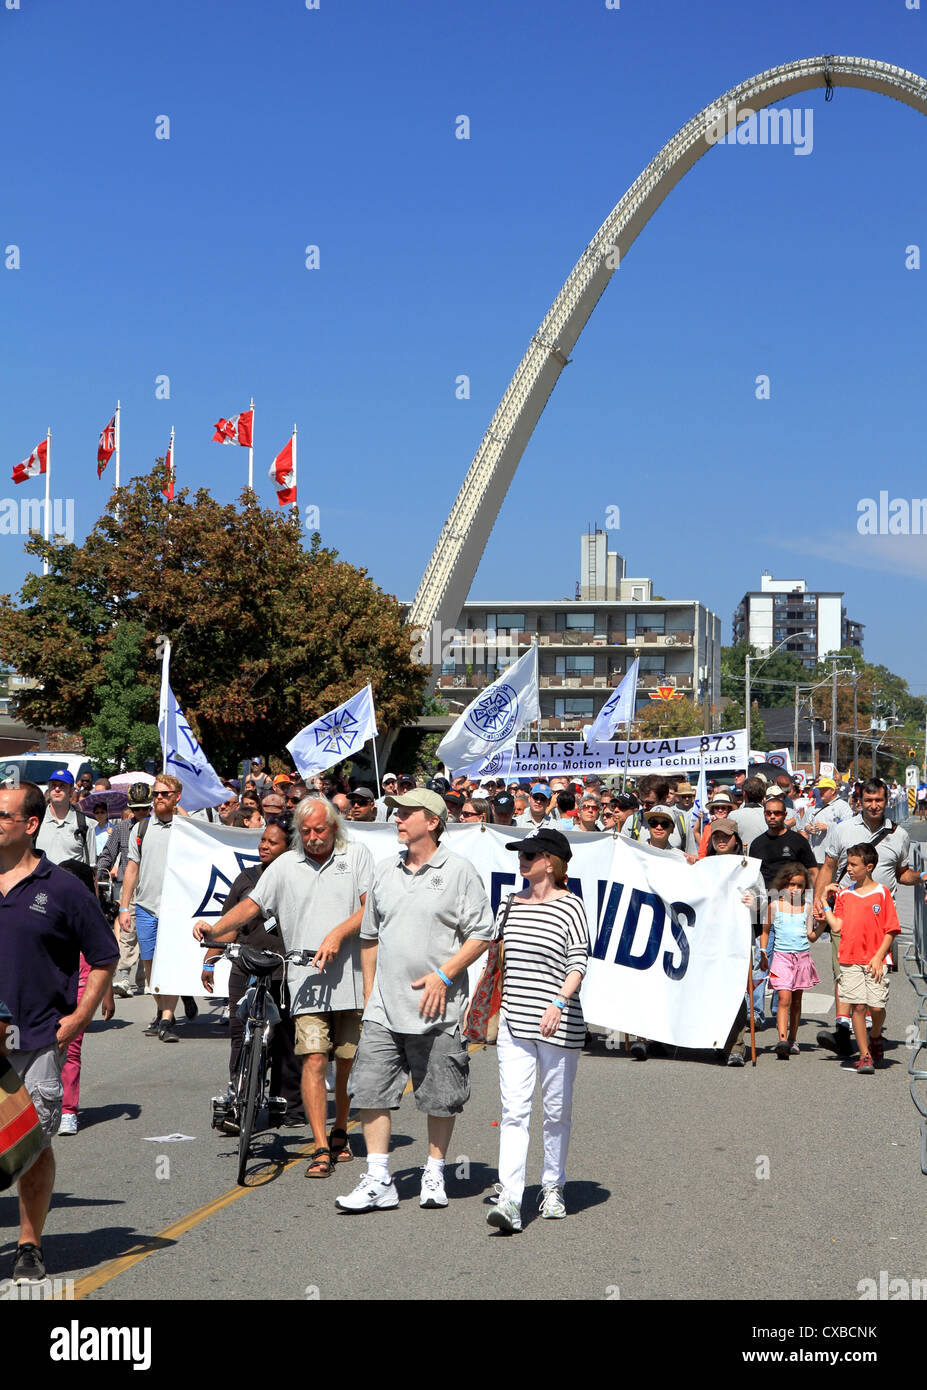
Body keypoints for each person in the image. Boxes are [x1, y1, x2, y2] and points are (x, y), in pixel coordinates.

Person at [335, 788, 492, 1212]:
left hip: (437, 1012)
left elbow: (481, 933)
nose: (397, 819)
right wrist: (370, 994)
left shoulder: (460, 871)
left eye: (407, 813)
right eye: (397, 812)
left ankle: (435, 1172)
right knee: (369, 1091)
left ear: (433, 821)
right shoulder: (385, 871)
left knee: (440, 1095)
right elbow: (369, 937)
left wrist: (445, 974)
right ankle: (378, 1177)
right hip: (384, 1010)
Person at [196, 798, 372, 1175]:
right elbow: (251, 906)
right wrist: (215, 929)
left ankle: (340, 1129)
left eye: (319, 830)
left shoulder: (356, 856)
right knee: (313, 1058)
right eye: (305, 831)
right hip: (305, 980)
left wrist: (338, 934)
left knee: (344, 1062)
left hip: (351, 981)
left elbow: (369, 909)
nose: (312, 838)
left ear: (335, 827)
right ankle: (320, 1145)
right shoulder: (285, 865)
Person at [0, 781, 118, 1283]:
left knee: (30, 1147)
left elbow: (106, 956)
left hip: (36, 1038)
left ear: (30, 825)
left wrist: (82, 1014)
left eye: (2, 815)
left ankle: (29, 1243)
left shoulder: (62, 887)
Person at [487, 829, 588, 1234]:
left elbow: (579, 960)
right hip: (514, 1022)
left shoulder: (572, 906)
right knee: (513, 1111)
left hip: (558, 1024)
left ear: (550, 861)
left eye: (529, 854)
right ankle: (510, 1197)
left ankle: (552, 1185)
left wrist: (559, 1002)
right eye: (520, 854)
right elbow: (493, 955)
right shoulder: (508, 904)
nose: (521, 860)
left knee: (555, 1112)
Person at [199, 819, 303, 1128]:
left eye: (272, 842)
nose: (264, 845)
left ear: (288, 849)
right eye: (262, 840)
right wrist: (209, 959)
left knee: (285, 1040)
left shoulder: (298, 880)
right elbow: (229, 924)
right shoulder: (245, 879)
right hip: (245, 968)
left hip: (282, 972)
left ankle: (289, 1108)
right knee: (238, 1035)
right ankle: (237, 1104)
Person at [813, 777, 922, 1058]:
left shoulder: (899, 835)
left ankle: (870, 1028)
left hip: (880, 920)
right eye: (869, 800)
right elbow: (828, 866)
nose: (874, 806)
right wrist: (817, 900)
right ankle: (842, 1030)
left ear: (887, 801)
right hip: (845, 913)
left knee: (876, 977)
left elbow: (902, 874)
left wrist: (920, 877)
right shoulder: (842, 830)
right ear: (859, 801)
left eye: (879, 801)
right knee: (844, 972)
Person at [118, 773, 191, 1041]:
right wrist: (124, 907)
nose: (158, 798)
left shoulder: (187, 828)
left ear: (176, 798)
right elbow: (132, 868)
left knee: (168, 962)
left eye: (165, 794)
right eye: (156, 794)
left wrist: (180, 814)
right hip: (146, 907)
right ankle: (163, 1010)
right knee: (150, 966)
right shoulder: (141, 828)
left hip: (176, 909)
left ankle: (167, 1019)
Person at [820, 842, 901, 1072]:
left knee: (876, 1007)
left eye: (854, 865)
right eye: (848, 864)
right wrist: (826, 903)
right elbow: (837, 926)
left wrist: (878, 956)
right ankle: (865, 1055)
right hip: (849, 958)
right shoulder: (845, 895)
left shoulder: (881, 893)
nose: (849, 869)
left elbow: (891, 929)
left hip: (875, 959)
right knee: (858, 1006)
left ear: (869, 866)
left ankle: (875, 1034)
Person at [705, 818, 766, 1066]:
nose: (721, 840)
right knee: (711, 990)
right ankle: (718, 1039)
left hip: (738, 939)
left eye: (726, 836)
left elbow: (763, 902)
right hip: (709, 939)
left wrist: (756, 904)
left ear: (736, 840)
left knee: (735, 992)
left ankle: (737, 1046)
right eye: (716, 836)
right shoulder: (705, 866)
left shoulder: (749, 868)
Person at [759, 864, 823, 1060]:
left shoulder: (807, 908)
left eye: (800, 885)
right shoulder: (774, 906)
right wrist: (763, 952)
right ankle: (782, 1039)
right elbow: (765, 931)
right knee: (784, 998)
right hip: (781, 958)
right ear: (783, 885)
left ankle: (793, 1039)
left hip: (802, 958)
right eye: (791, 884)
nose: (795, 889)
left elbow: (811, 936)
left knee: (796, 1001)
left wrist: (824, 924)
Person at [98, 783, 151, 998]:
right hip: (127, 885)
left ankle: (146, 977)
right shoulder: (121, 828)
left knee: (148, 932)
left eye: (144, 808)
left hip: (152, 884)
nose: (140, 812)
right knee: (128, 931)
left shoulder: (158, 829)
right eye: (136, 808)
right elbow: (108, 853)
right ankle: (125, 977)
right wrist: (101, 868)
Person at [748, 797, 818, 892]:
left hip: (794, 899)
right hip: (767, 899)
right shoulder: (757, 844)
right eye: (768, 813)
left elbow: (812, 870)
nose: (772, 816)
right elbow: (753, 875)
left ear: (785, 815)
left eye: (777, 813)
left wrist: (815, 897)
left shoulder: (799, 841)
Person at [35, 770, 96, 869]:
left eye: (62, 786)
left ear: (71, 791)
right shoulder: (36, 821)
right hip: (41, 883)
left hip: (72, 884)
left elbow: (91, 867)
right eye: (53, 785)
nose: (57, 789)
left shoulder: (84, 823)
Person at [805, 776, 852, 863]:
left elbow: (848, 827)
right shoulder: (815, 807)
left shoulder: (843, 806)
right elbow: (806, 824)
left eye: (824, 790)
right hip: (816, 855)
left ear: (833, 791)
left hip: (834, 857)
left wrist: (827, 827)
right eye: (820, 790)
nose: (821, 792)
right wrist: (808, 828)